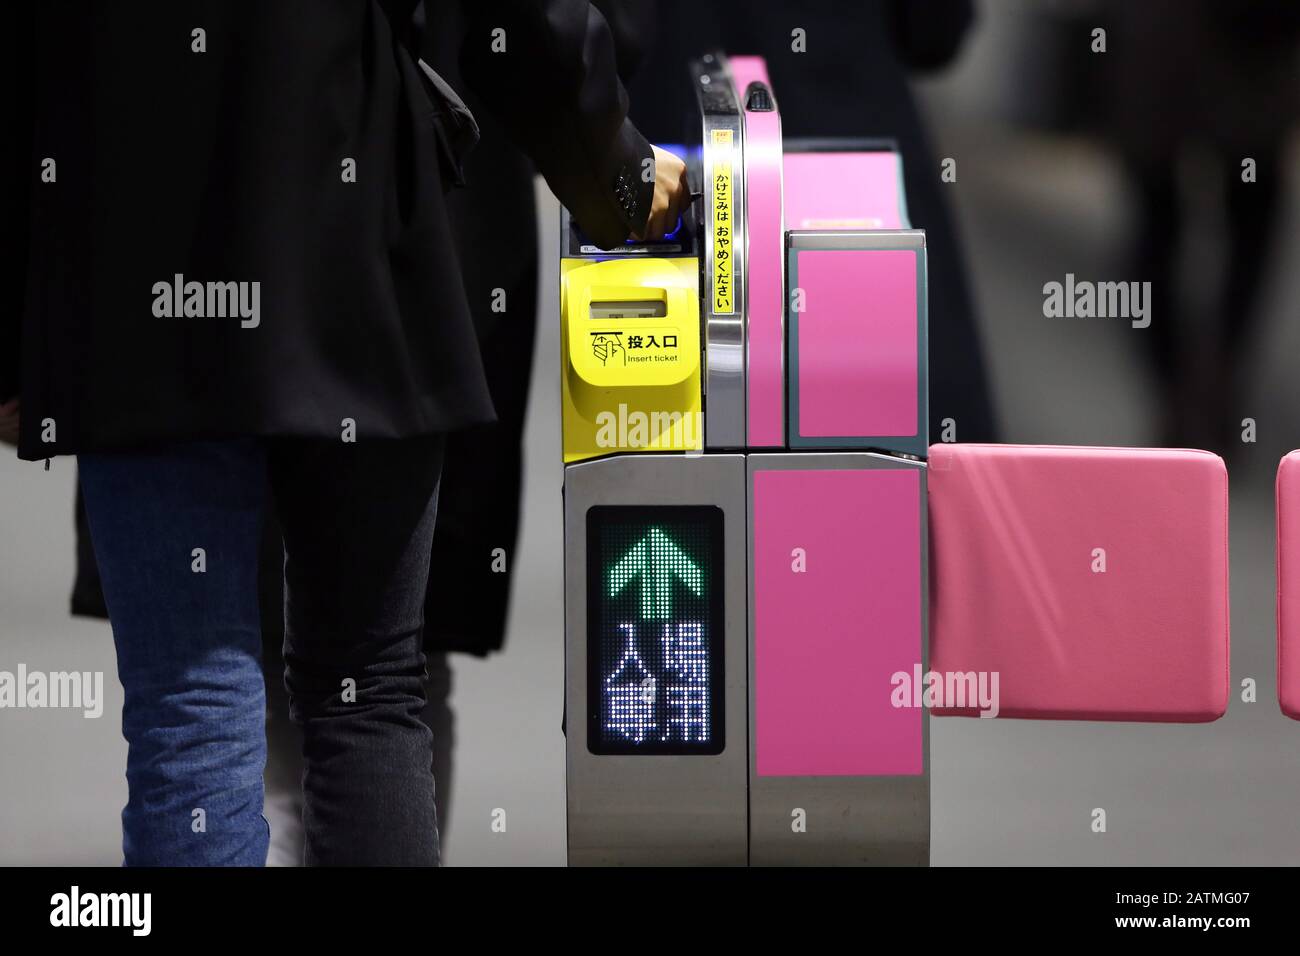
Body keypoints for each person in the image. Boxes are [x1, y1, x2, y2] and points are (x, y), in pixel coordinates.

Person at [1, 0, 689, 867]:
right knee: (366, 696)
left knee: (188, 705)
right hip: (354, 226)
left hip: (134, 248)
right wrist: (611, 170)